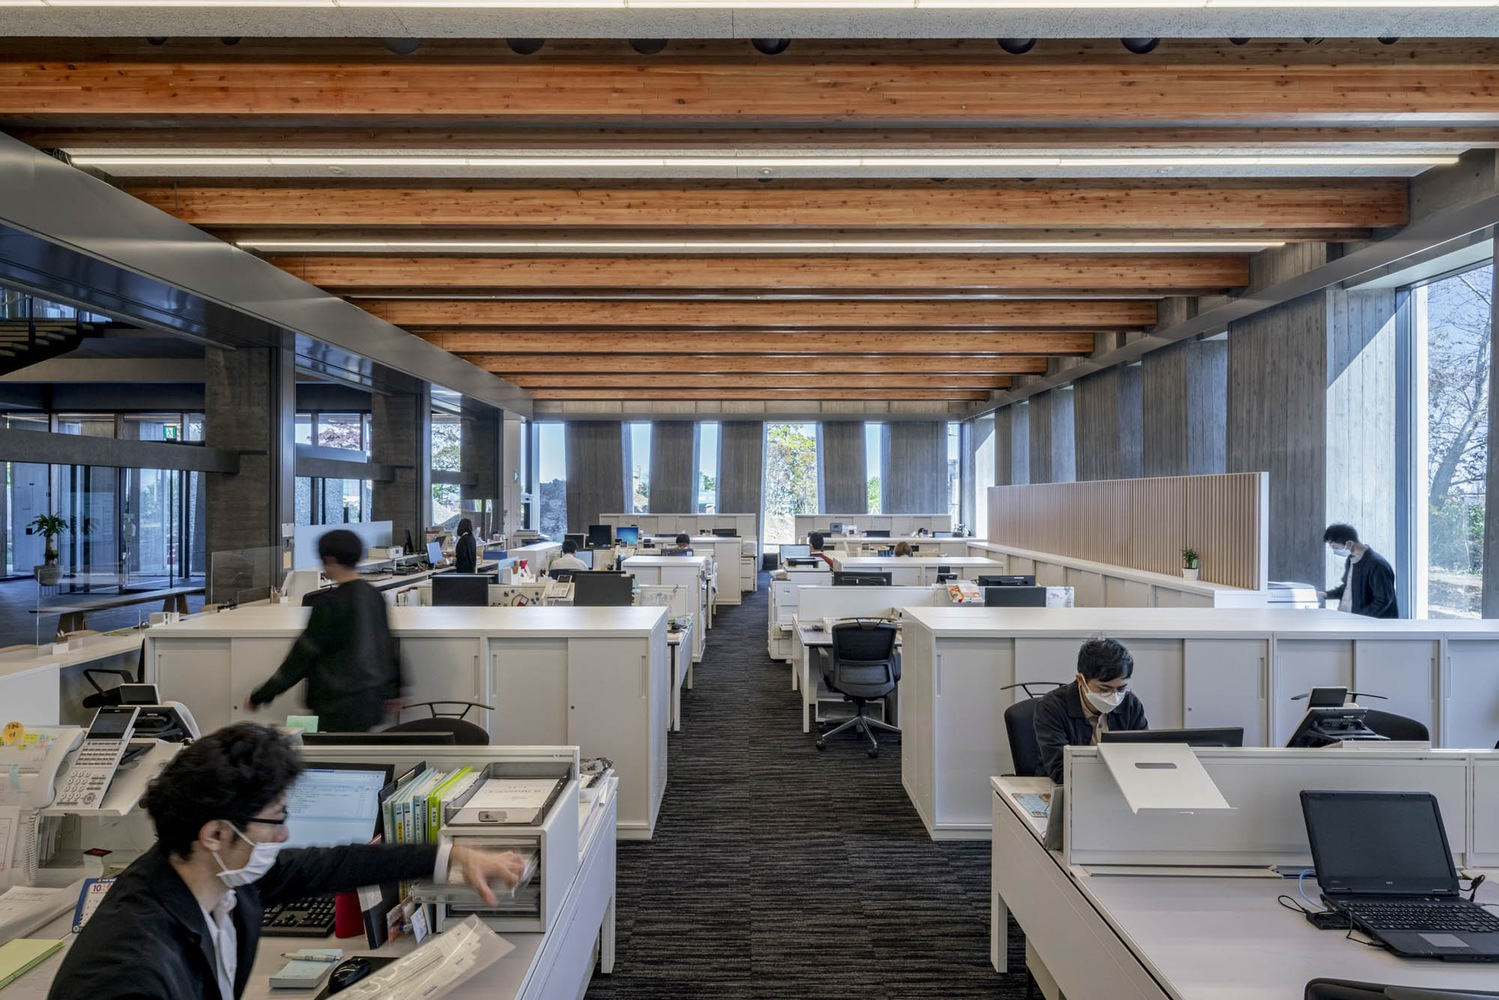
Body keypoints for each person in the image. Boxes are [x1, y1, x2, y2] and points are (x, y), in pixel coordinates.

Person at [48, 722, 525, 1000]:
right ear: (215, 833)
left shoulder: (217, 878)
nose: (285, 834)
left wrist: (454, 855)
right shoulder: (131, 972)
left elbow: (336, 864)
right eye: (274, 820)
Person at [244, 529, 400, 732]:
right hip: (371, 700)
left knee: (335, 758)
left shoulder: (329, 604)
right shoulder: (374, 595)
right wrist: (396, 689)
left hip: (336, 703)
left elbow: (301, 657)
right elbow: (388, 646)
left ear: (330, 559)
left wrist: (262, 695)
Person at [1033, 637, 1148, 784]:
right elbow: (1061, 770)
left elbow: (1144, 756)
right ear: (1081, 680)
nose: (1114, 696)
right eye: (1104, 689)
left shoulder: (1130, 704)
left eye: (1121, 688)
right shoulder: (1051, 707)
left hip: (1119, 790)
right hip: (1063, 789)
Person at [1321, 523, 1398, 618]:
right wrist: (1325, 594)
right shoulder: (1351, 560)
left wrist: (1360, 619)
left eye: (1335, 547)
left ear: (1349, 543)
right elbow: (1348, 587)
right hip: (1350, 620)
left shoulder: (1378, 565)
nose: (1334, 551)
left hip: (1369, 625)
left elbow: (1383, 600)